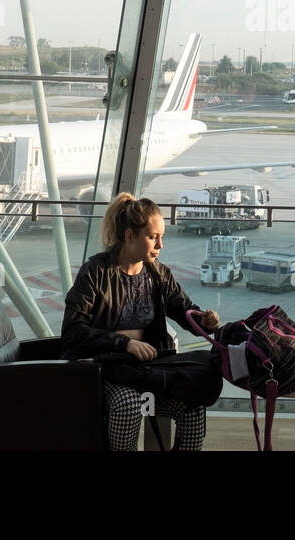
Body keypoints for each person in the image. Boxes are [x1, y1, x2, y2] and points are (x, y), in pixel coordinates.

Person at [60, 193, 220, 451]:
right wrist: (124, 344)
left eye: (162, 237)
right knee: (129, 406)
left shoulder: (158, 274)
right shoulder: (95, 273)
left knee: (193, 404)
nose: (160, 245)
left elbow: (184, 310)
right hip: (106, 369)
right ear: (129, 236)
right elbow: (73, 332)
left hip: (146, 370)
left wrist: (206, 321)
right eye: (152, 237)